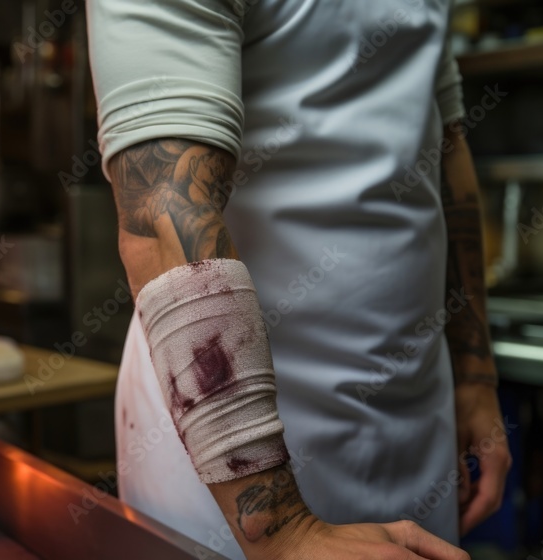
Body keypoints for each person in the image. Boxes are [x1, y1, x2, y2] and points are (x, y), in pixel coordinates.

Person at [88, 1, 511, 558]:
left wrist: (475, 377)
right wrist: (285, 532)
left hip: (413, 423)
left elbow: (443, 143)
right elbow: (161, 218)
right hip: (235, 470)